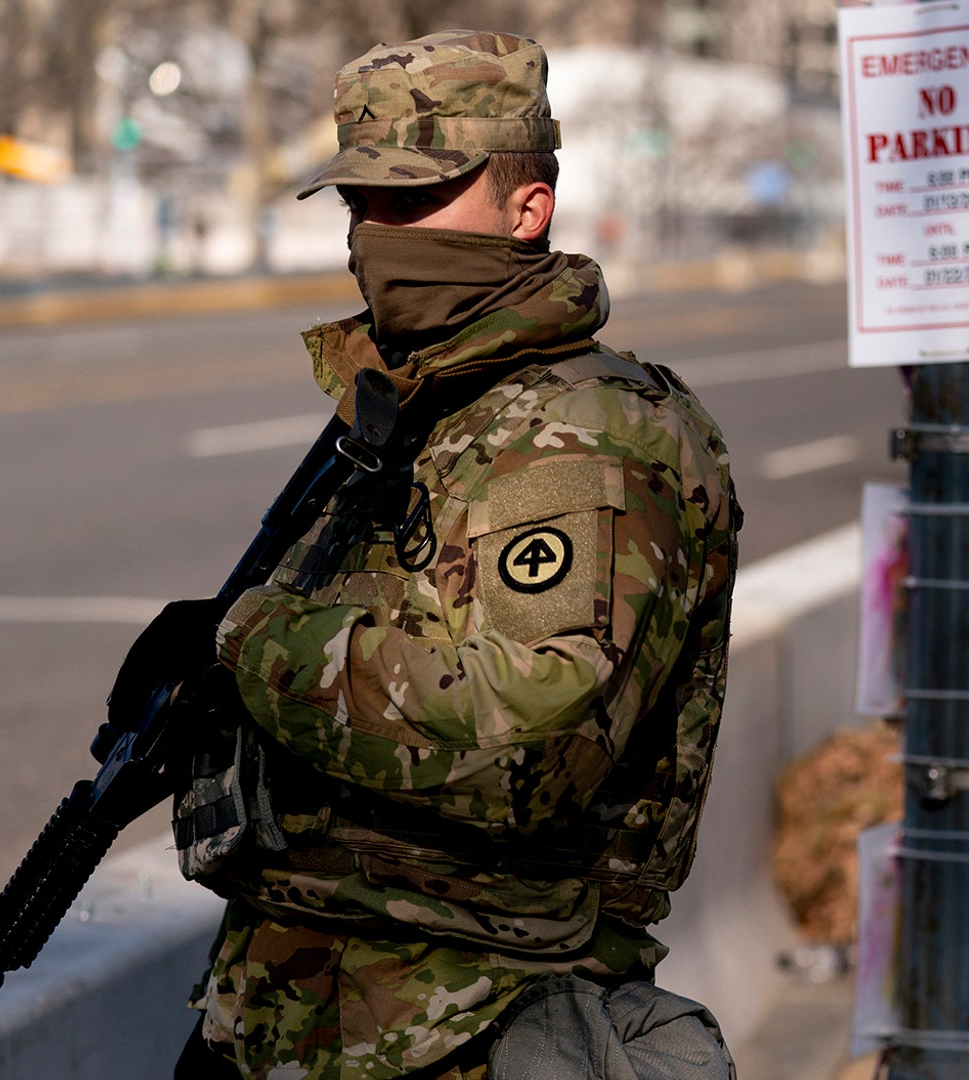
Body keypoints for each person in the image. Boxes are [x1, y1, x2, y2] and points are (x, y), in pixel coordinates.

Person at [157, 30, 741, 1079]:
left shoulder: (589, 433)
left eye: (417, 199)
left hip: (468, 1028)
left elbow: (515, 744)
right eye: (361, 204)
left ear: (529, 209)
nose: (380, 235)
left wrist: (248, 646)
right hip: (286, 1013)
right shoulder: (418, 407)